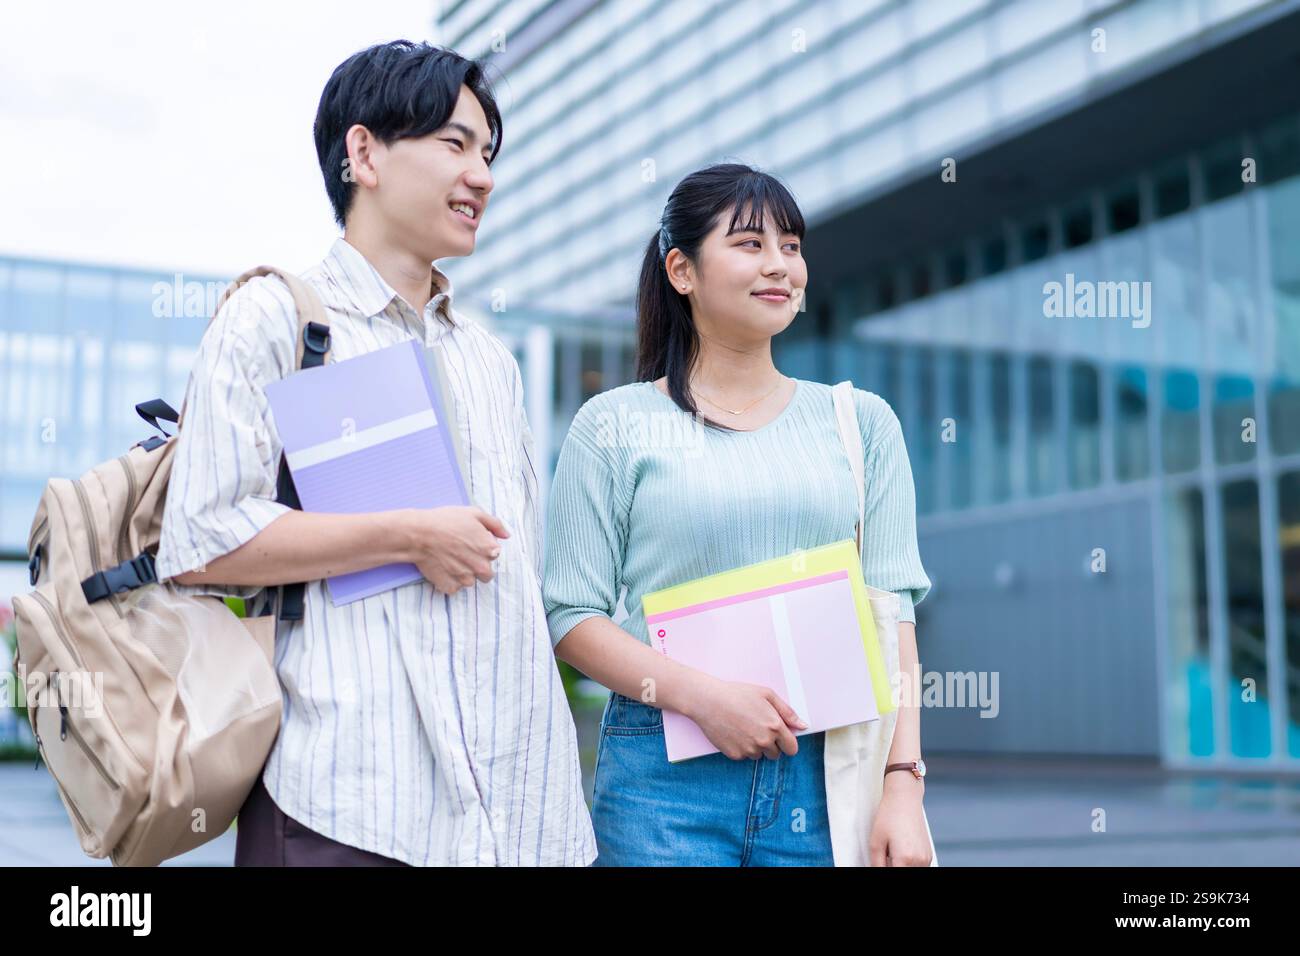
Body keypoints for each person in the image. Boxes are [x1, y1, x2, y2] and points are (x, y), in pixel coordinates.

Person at [154, 40, 595, 866]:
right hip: (350, 807)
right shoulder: (275, 319)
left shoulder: (489, 359)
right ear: (365, 153)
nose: (483, 177)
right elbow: (202, 538)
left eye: (489, 154)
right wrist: (409, 535)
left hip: (520, 817)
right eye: (454, 144)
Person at [541, 163, 933, 866]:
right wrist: (704, 698)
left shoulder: (861, 423)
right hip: (662, 781)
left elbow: (893, 617)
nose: (781, 265)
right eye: (750, 244)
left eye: (791, 244)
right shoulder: (614, 424)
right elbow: (571, 617)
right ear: (682, 270)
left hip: (828, 774)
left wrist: (904, 787)